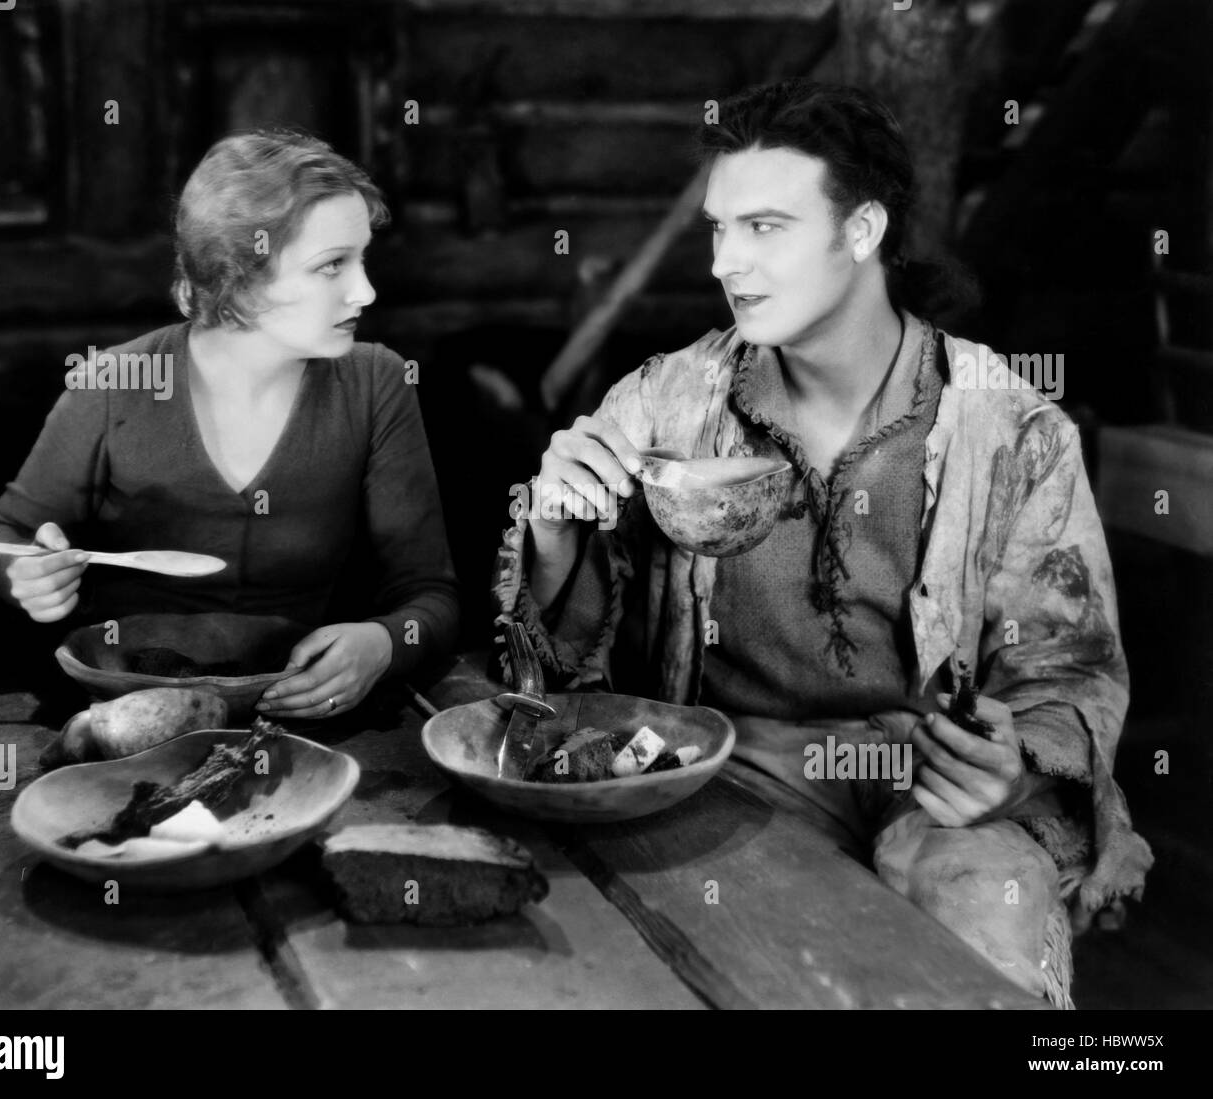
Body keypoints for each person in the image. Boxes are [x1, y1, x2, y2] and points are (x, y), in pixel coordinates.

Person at [493, 80, 1152, 1006]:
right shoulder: (664, 403)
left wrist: (1012, 767)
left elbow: (1071, 671)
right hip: (730, 767)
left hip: (926, 775)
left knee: (986, 915)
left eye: (765, 227)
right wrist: (555, 535)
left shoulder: (1011, 426)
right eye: (719, 228)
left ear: (862, 230)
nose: (728, 261)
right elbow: (567, 674)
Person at [0, 130, 459, 719]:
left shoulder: (376, 383)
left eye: (361, 258)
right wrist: (26, 574)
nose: (365, 290)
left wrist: (382, 644)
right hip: (123, 715)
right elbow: (5, 533)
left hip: (291, 719)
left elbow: (430, 596)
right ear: (238, 277)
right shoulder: (113, 382)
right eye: (332, 265)